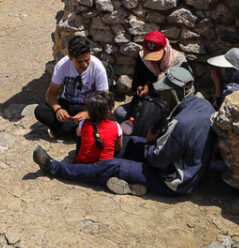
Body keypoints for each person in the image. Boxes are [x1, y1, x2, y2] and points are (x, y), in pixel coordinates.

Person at [33, 66, 217, 196]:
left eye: (166, 93)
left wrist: (151, 141)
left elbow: (157, 160)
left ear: (176, 94)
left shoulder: (180, 122)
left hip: (175, 181)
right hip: (187, 166)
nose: (162, 97)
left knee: (111, 165)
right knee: (132, 142)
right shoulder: (203, 105)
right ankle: (115, 172)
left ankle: (57, 168)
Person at [34, 35, 110, 139]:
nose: (84, 65)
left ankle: (65, 131)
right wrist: (58, 109)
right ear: (70, 57)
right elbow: (51, 94)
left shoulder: (97, 67)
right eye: (80, 62)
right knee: (40, 110)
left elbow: (105, 99)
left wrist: (88, 113)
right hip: (67, 105)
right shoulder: (62, 65)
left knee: (106, 116)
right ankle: (81, 131)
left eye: (87, 60)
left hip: (89, 106)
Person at [115, 31, 188, 132]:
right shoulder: (143, 60)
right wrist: (139, 88)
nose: (153, 61)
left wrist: (152, 87)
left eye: (156, 56)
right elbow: (136, 83)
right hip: (147, 103)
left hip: (169, 106)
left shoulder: (178, 61)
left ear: (165, 49)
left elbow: (178, 88)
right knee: (119, 112)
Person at [75, 91, 122, 164]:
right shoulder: (116, 126)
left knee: (79, 135)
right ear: (109, 111)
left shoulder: (83, 123)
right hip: (106, 167)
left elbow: (79, 137)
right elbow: (118, 148)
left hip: (83, 163)